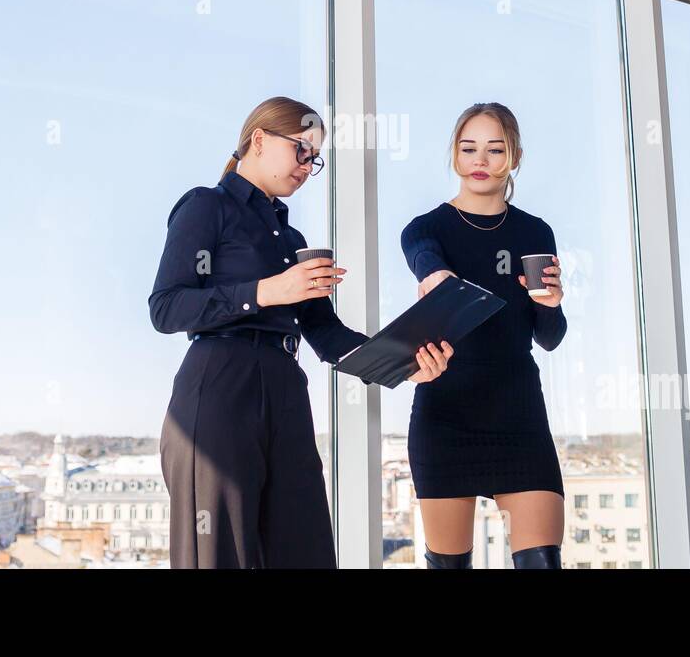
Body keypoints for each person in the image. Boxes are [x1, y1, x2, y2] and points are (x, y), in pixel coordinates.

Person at [149, 95, 453, 568]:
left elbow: (327, 335)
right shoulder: (206, 206)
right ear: (259, 140)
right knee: (218, 555)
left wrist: (407, 364)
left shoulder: (292, 242)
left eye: (315, 158)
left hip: (286, 391)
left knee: (306, 550)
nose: (308, 166)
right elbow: (166, 308)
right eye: (301, 150)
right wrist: (269, 290)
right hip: (218, 388)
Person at [400, 102, 567, 569]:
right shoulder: (426, 228)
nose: (480, 160)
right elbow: (422, 254)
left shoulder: (535, 231)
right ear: (454, 153)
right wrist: (435, 274)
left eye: (495, 149)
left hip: (519, 414)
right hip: (445, 414)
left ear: (514, 157)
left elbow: (549, 338)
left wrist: (551, 303)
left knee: (542, 560)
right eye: (468, 148)